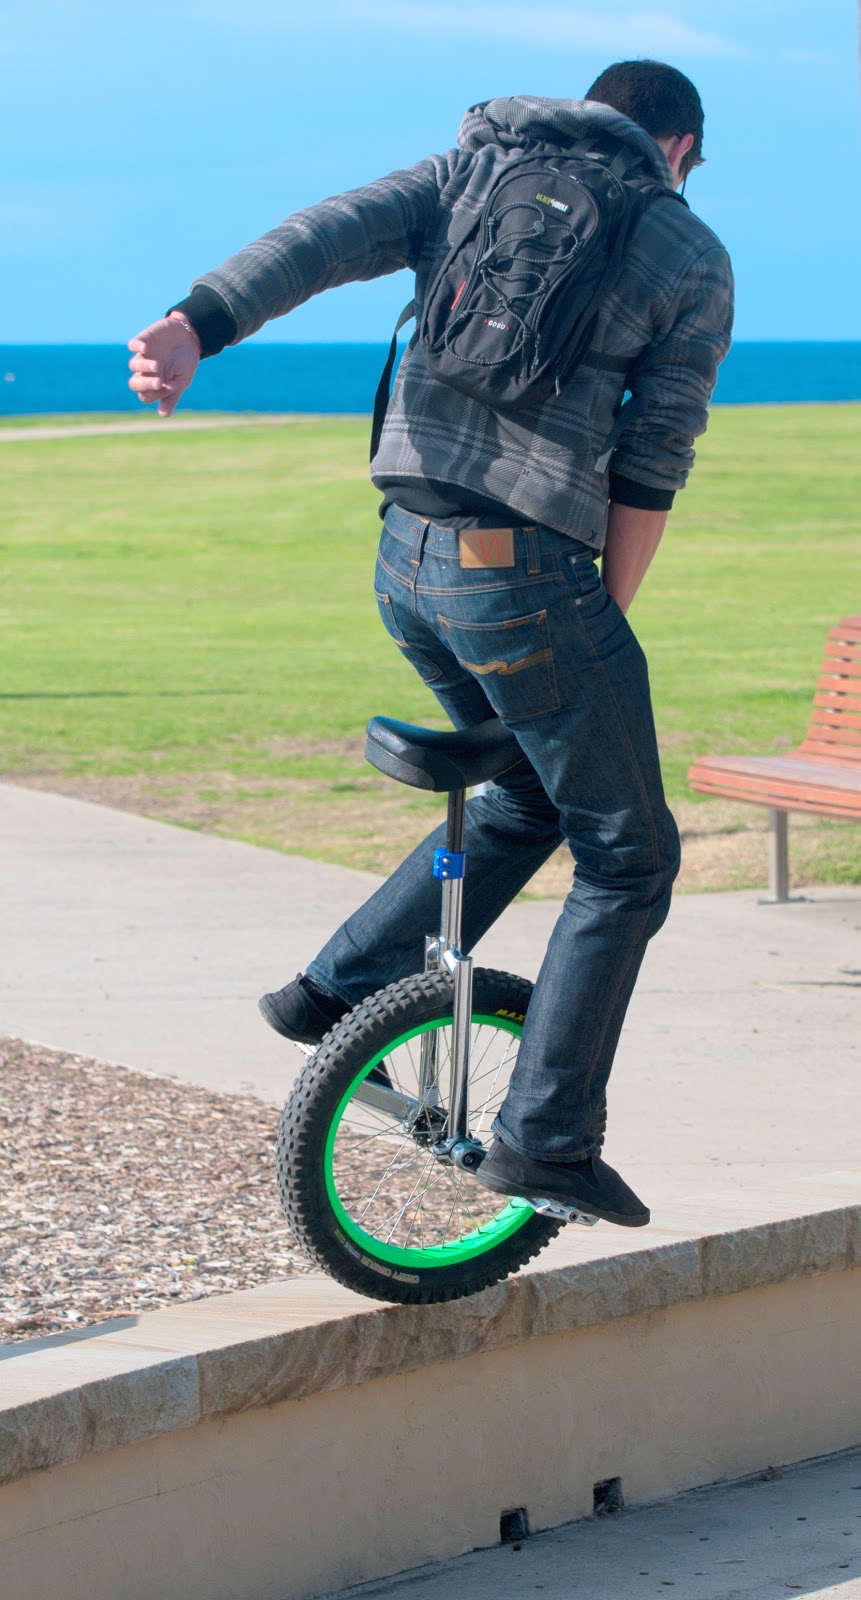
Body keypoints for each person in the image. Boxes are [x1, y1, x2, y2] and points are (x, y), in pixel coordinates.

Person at [128, 60, 734, 1229]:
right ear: (678, 147)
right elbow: (655, 458)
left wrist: (198, 321)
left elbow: (322, 237)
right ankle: (547, 1136)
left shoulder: (473, 167)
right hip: (525, 578)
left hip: (404, 558)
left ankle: (338, 985)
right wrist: (593, 617)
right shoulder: (684, 246)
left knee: (527, 790)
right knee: (631, 857)